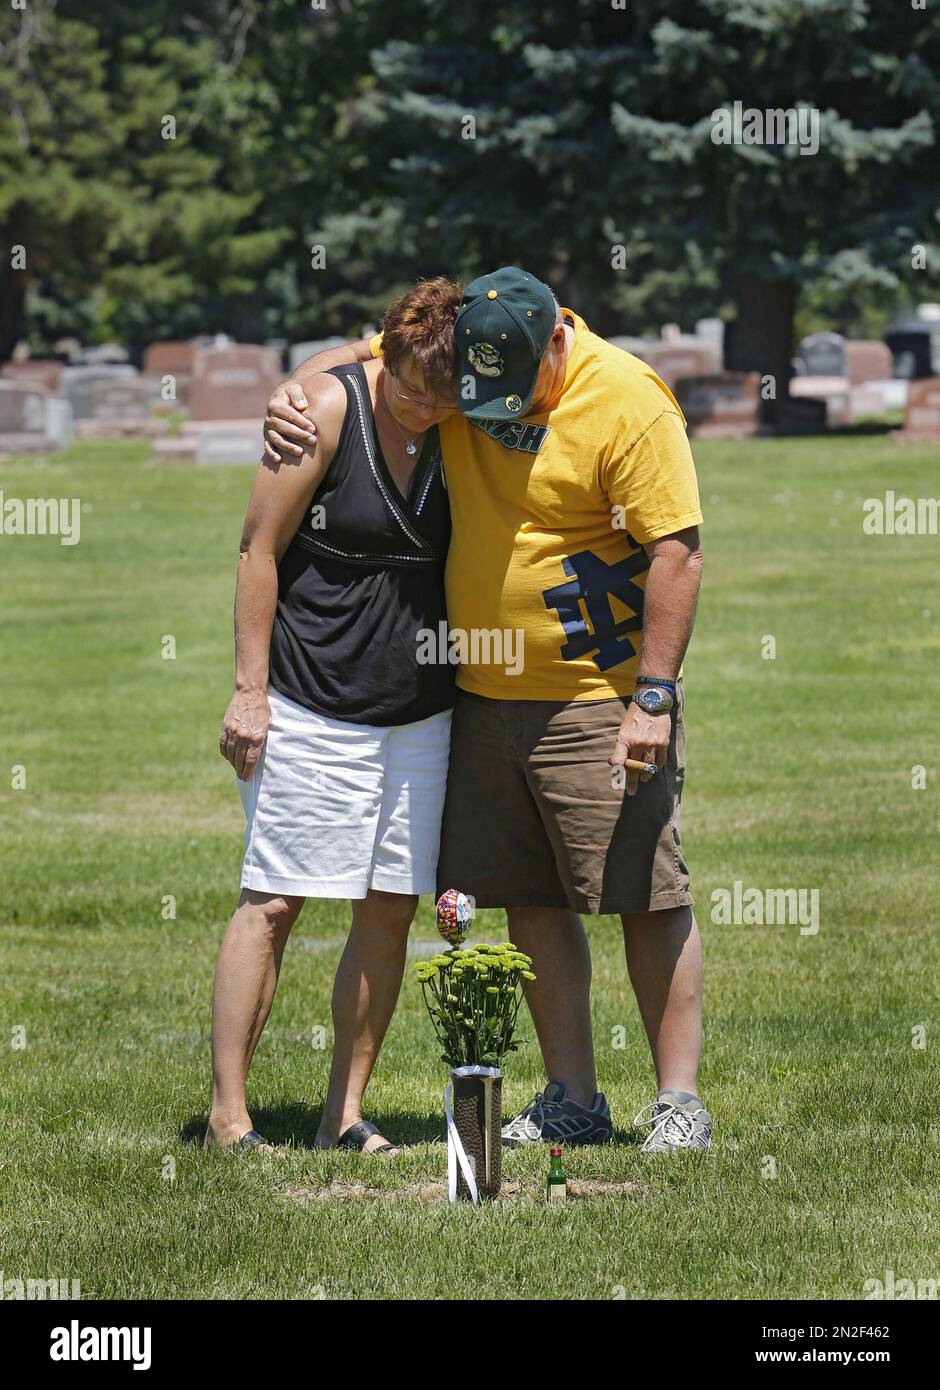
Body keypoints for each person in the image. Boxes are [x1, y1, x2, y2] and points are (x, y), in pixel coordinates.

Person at [264, 267, 710, 1153]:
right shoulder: (476, 357)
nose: (490, 408)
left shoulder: (628, 400)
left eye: (516, 390)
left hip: (597, 694)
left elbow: (679, 553)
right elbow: (374, 353)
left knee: (644, 895)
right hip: (478, 692)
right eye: (480, 392)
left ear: (557, 338)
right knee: (525, 895)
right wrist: (296, 386)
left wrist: (652, 699)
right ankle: (572, 1099)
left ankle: (677, 1102)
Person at [207, 277, 460, 1154]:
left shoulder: (460, 418)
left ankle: (342, 1115)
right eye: (413, 391)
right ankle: (229, 1118)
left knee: (389, 909)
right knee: (274, 902)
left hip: (421, 714)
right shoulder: (318, 409)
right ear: (381, 357)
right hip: (310, 701)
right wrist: (250, 691)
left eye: (444, 395)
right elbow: (256, 550)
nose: (426, 411)